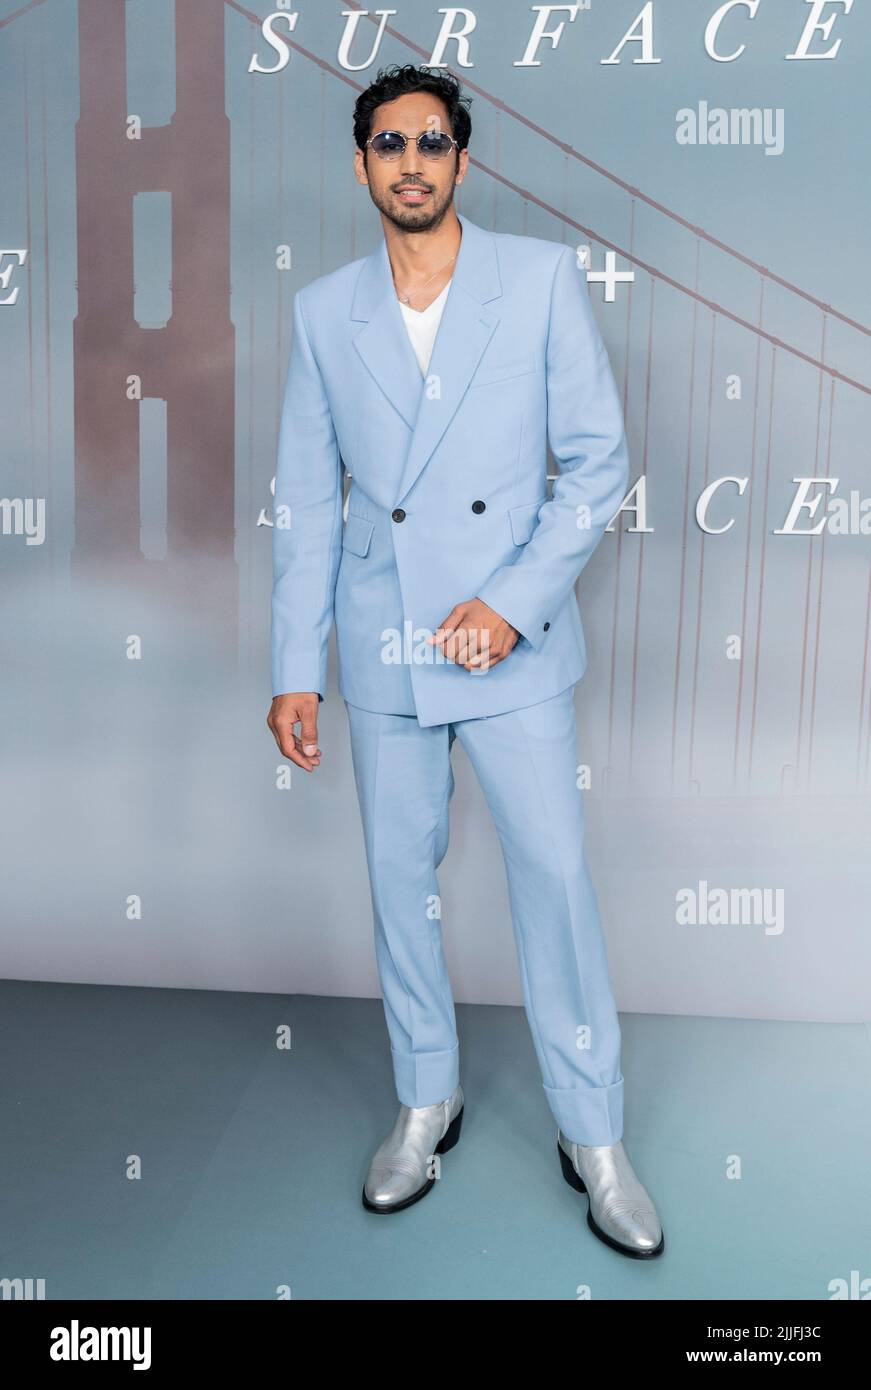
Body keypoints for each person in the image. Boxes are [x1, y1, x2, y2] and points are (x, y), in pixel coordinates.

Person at [267, 62, 664, 1259]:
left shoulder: (537, 282)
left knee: (552, 881)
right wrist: (296, 661)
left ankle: (594, 1136)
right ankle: (424, 1099)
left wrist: (511, 600)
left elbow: (596, 463)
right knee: (402, 885)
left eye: (430, 142)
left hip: (512, 645)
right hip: (386, 650)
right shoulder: (321, 311)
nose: (411, 162)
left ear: (462, 161)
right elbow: (303, 503)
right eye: (388, 143)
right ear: (361, 165)